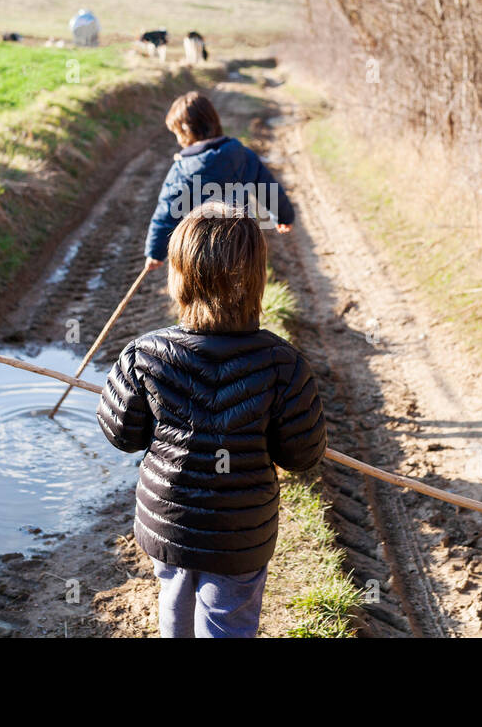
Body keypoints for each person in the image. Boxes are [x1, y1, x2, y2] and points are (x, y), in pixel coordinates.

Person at [98, 202, 326, 637]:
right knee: (227, 619)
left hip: (168, 521)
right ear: (256, 279)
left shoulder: (144, 354)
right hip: (240, 532)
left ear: (180, 276)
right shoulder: (284, 364)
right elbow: (301, 454)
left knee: (175, 602)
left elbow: (123, 434)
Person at [144, 92, 295, 269]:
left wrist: (155, 252)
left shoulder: (182, 169)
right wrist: (284, 216)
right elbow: (269, 188)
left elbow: (166, 212)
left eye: (177, 133)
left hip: (199, 251)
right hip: (242, 243)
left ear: (185, 130)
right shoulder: (244, 155)